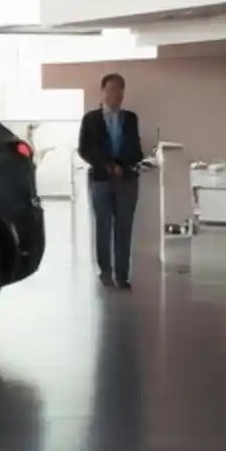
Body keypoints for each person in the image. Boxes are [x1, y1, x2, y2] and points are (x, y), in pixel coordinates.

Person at [78, 73, 144, 290]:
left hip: (126, 179)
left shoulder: (131, 119)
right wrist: (107, 165)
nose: (115, 93)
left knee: (124, 227)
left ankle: (122, 275)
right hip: (100, 179)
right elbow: (84, 149)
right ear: (104, 91)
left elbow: (136, 150)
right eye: (111, 89)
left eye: (119, 89)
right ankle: (105, 271)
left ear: (123, 93)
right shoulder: (91, 119)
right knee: (103, 225)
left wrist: (123, 165)